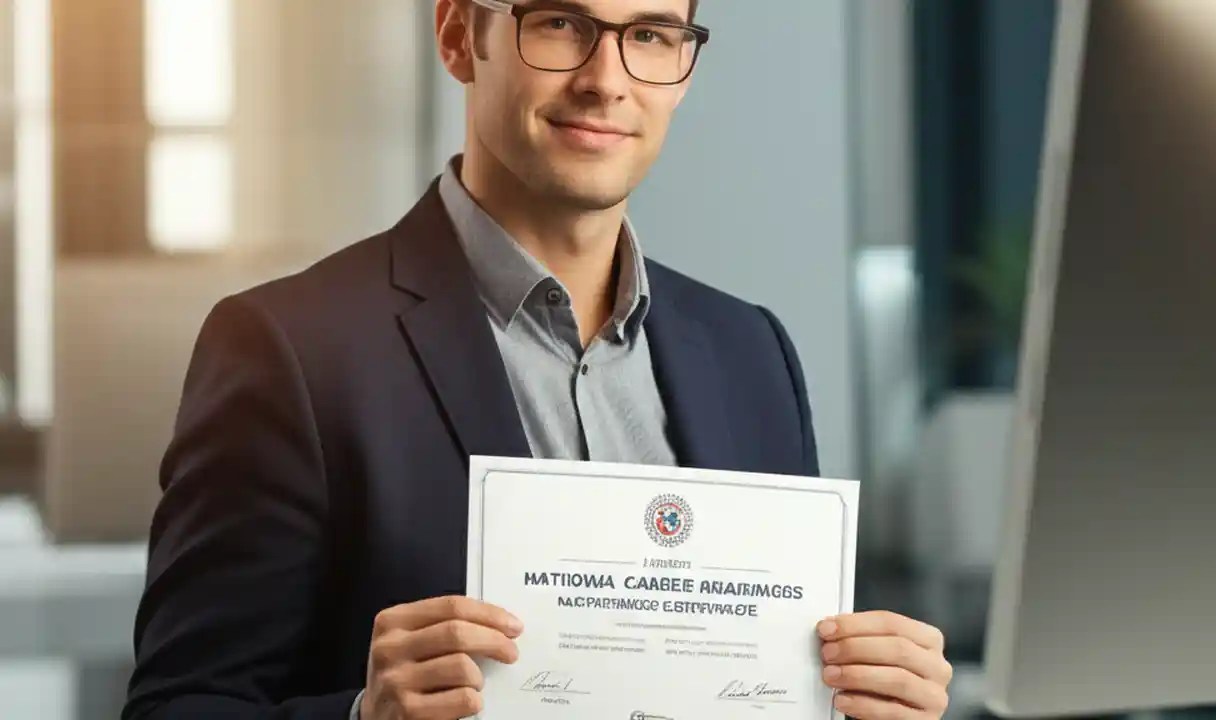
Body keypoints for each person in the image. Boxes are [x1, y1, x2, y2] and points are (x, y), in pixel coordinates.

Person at [124, 0, 953, 718]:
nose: (605, 79)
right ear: (459, 36)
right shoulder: (291, 350)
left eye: (651, 35)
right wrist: (363, 716)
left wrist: (872, 699)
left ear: (685, 69)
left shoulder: (752, 354)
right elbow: (178, 705)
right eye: (559, 23)